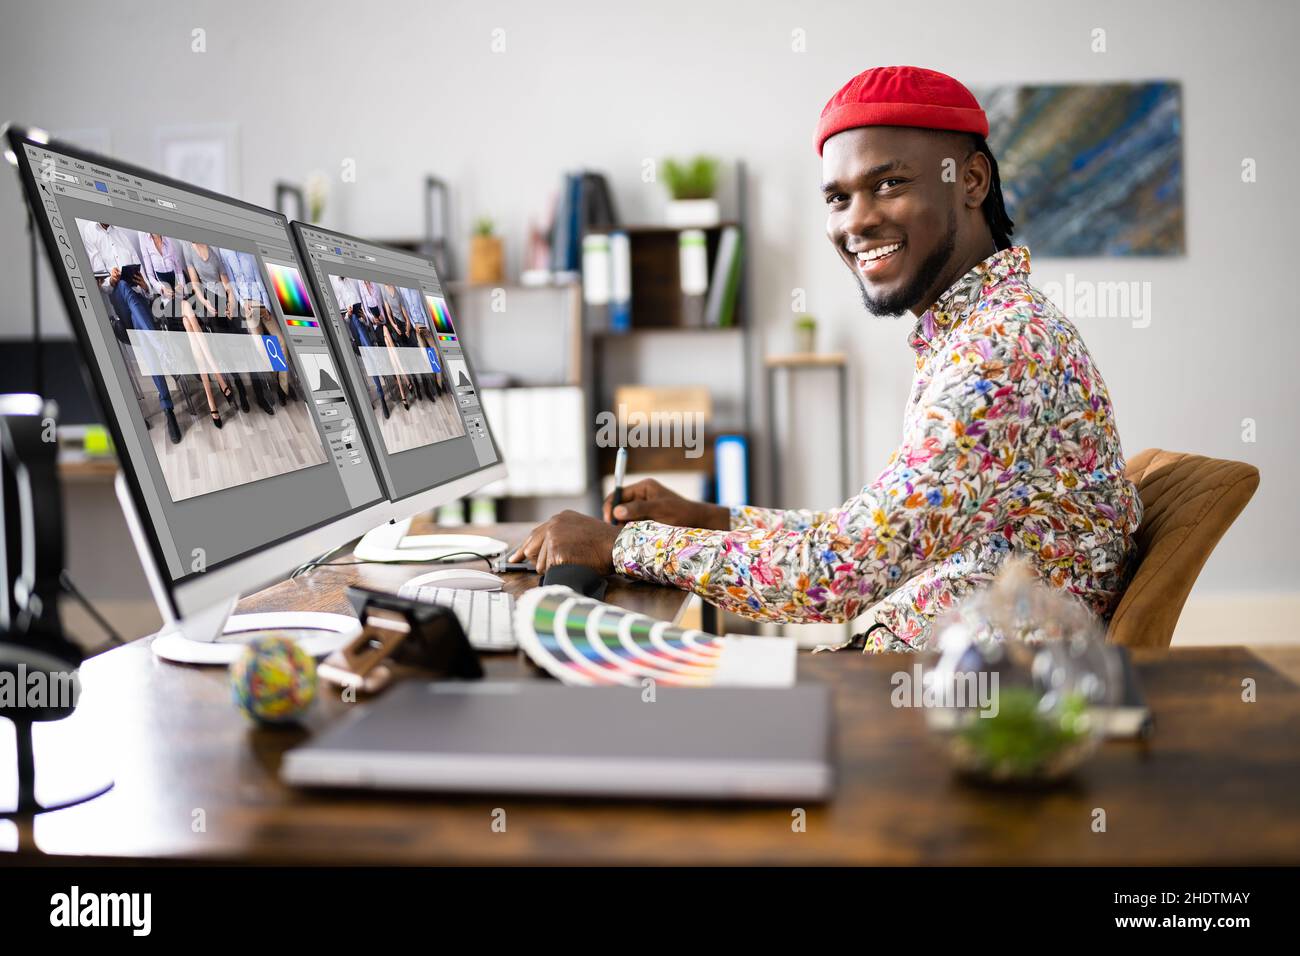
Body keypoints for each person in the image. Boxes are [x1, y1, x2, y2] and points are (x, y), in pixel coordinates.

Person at [511, 66, 1144, 653]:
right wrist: (707, 519)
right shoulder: (981, 327)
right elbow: (858, 538)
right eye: (837, 198)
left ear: (971, 181)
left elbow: (836, 575)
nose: (857, 221)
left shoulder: (1001, 350)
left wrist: (622, 544)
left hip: (944, 713)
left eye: (889, 184)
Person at [82, 222, 181, 443]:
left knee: (146, 340)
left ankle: (168, 410)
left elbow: (143, 278)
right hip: (119, 303)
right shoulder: (90, 232)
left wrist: (145, 285)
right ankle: (164, 348)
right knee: (124, 288)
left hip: (139, 302)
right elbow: (101, 282)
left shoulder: (122, 235)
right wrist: (111, 279)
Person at [142, 231, 238, 430]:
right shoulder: (144, 240)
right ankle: (219, 377)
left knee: (191, 327)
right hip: (164, 302)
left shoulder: (169, 240)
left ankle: (212, 403)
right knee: (188, 313)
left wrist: (178, 286)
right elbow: (149, 276)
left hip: (181, 296)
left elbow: (179, 271)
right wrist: (162, 288)